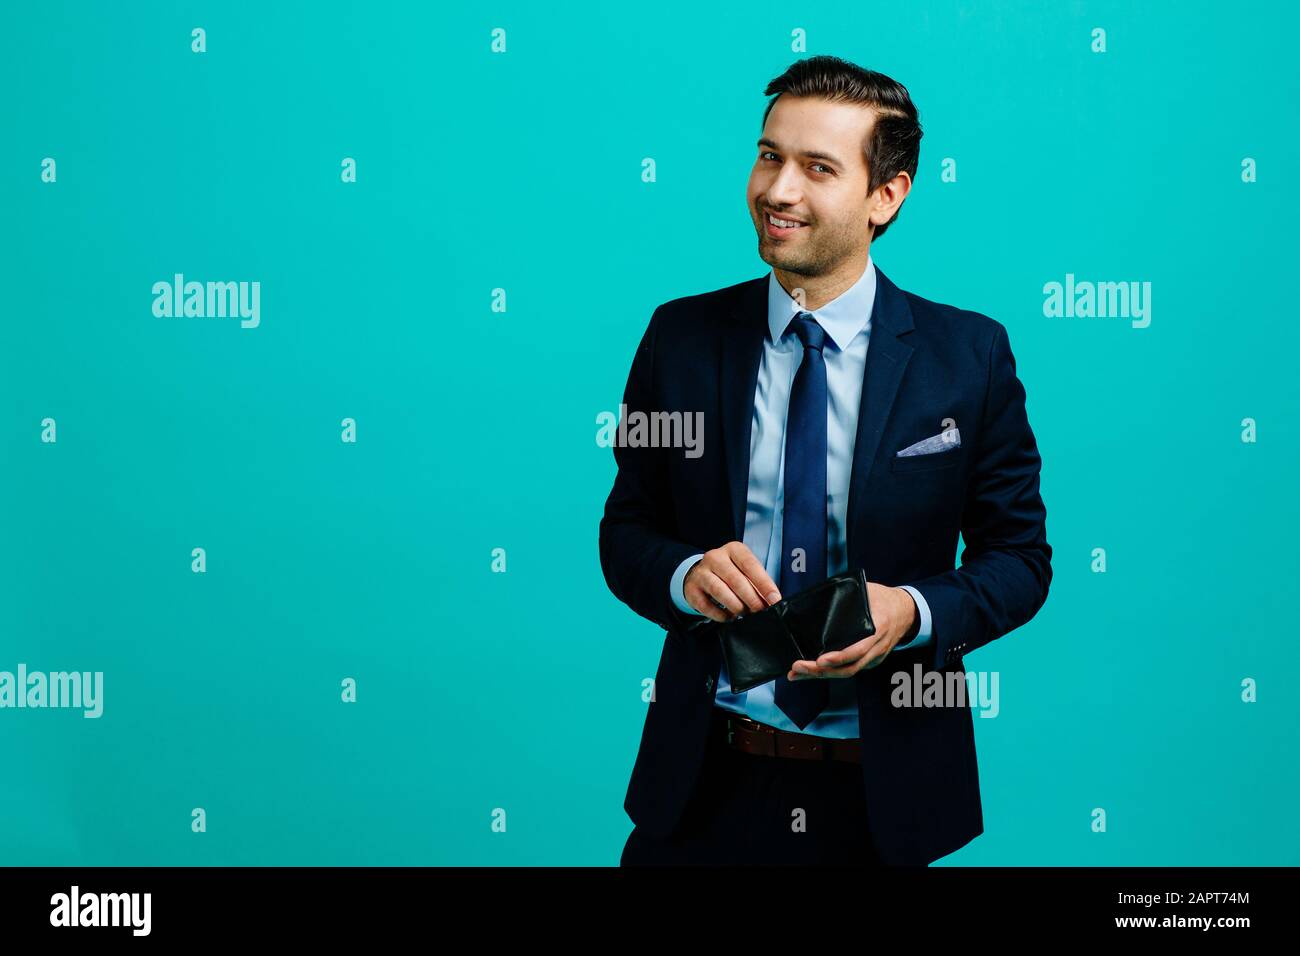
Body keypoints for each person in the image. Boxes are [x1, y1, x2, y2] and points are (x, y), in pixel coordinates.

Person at [599, 55, 1052, 866]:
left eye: (816, 167)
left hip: (885, 800)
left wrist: (911, 612)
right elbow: (626, 529)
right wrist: (683, 574)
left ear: (887, 195)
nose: (777, 190)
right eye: (769, 155)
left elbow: (1020, 560)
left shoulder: (969, 357)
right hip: (702, 786)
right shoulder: (681, 339)